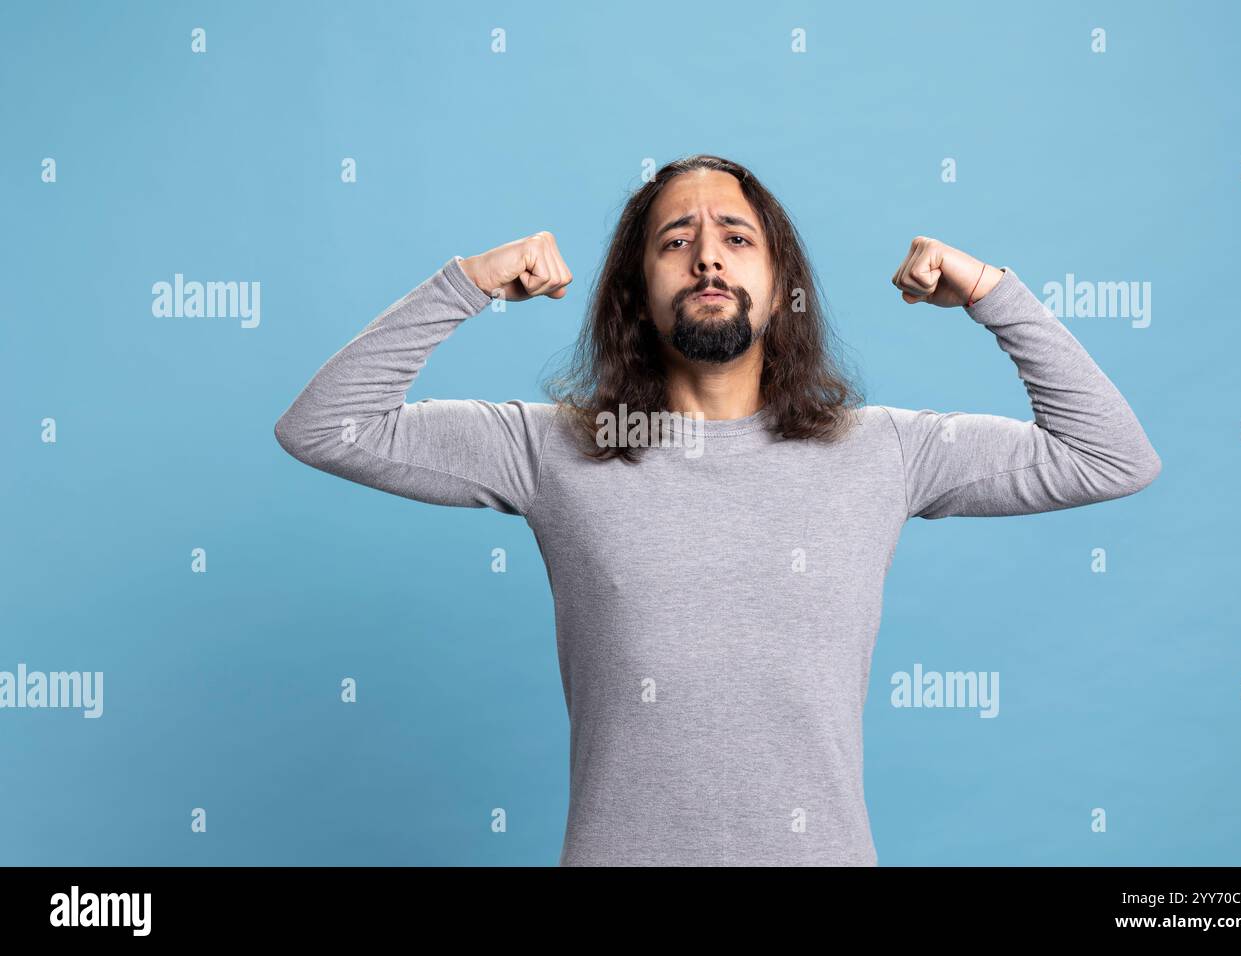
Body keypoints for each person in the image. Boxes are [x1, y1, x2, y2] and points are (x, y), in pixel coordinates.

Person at [274, 154, 1161, 866]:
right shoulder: (553, 448)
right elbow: (326, 428)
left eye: (737, 237)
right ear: (636, 293)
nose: (707, 256)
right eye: (674, 241)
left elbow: (1111, 456)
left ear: (779, 288)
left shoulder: (883, 450)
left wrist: (992, 295)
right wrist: (465, 283)